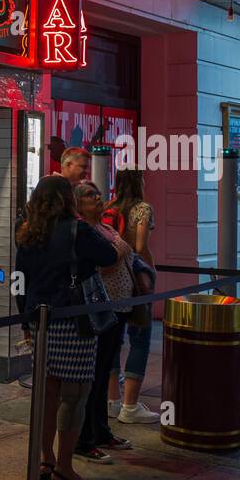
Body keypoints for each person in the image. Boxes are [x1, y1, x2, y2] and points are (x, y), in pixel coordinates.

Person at [15, 175, 117, 480]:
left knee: (47, 395)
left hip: (41, 321)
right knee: (74, 397)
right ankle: (65, 467)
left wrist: (25, 321)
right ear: (66, 200)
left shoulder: (29, 233)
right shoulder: (78, 230)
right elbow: (110, 256)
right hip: (74, 321)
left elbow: (21, 279)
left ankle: (45, 458)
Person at [74, 180, 134, 462]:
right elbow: (109, 259)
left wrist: (119, 247)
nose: (98, 200)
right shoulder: (83, 232)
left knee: (106, 370)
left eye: (98, 195)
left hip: (118, 311)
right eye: (89, 196)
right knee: (94, 376)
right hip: (99, 311)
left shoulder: (106, 229)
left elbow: (123, 250)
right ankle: (85, 437)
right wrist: (119, 247)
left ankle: (101, 430)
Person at [103, 169, 160, 425]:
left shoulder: (109, 206)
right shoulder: (142, 209)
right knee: (140, 340)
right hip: (134, 281)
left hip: (111, 280)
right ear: (139, 183)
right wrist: (151, 271)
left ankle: (112, 400)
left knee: (114, 340)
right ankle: (130, 405)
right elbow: (140, 247)